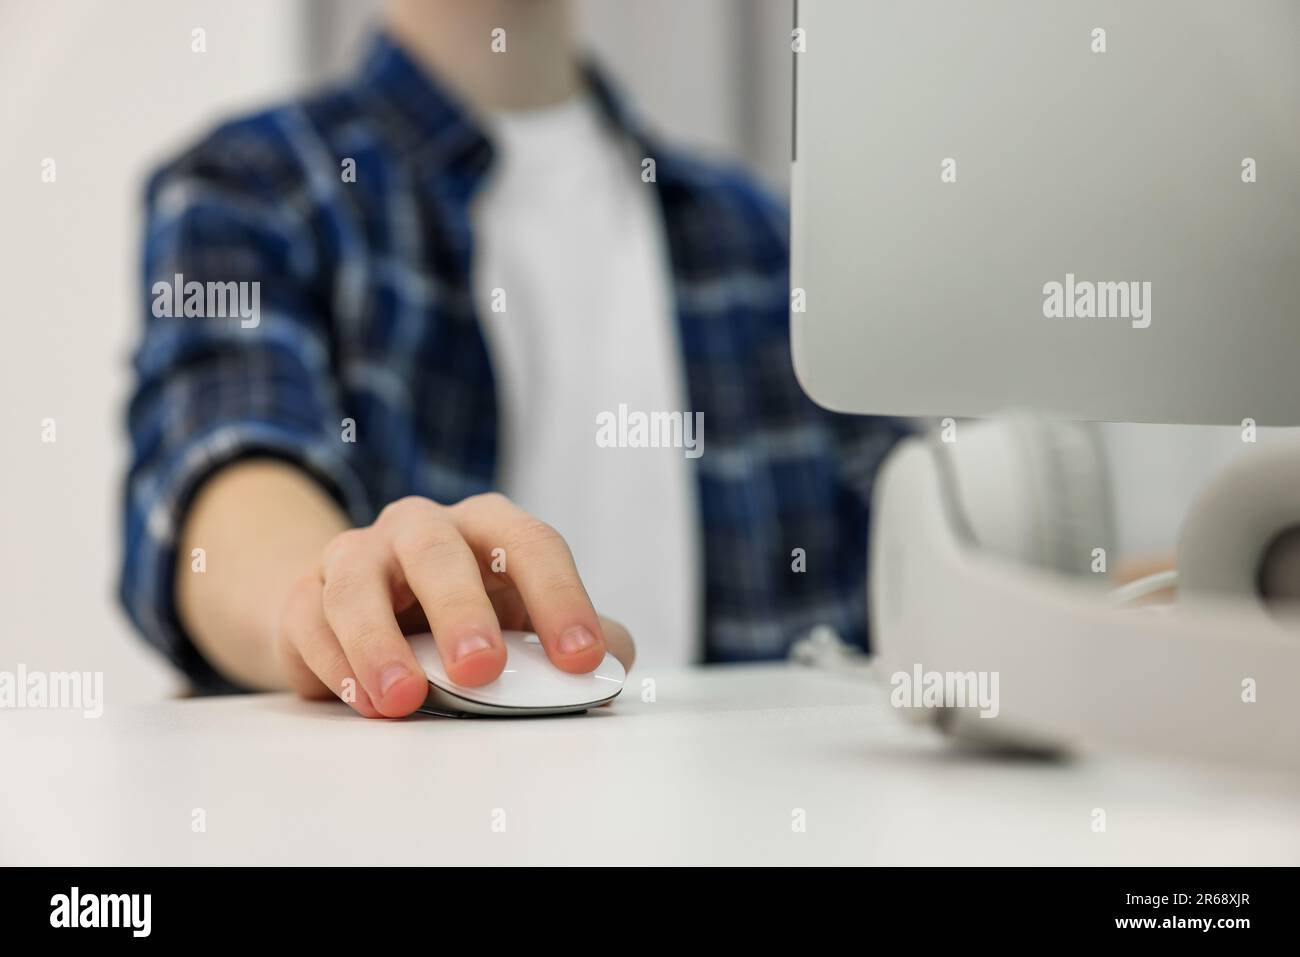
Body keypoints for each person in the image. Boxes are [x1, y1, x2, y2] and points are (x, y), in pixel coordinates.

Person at [120, 0, 908, 718]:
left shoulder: (764, 237)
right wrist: (338, 600)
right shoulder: (252, 187)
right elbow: (223, 456)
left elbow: (906, 568)